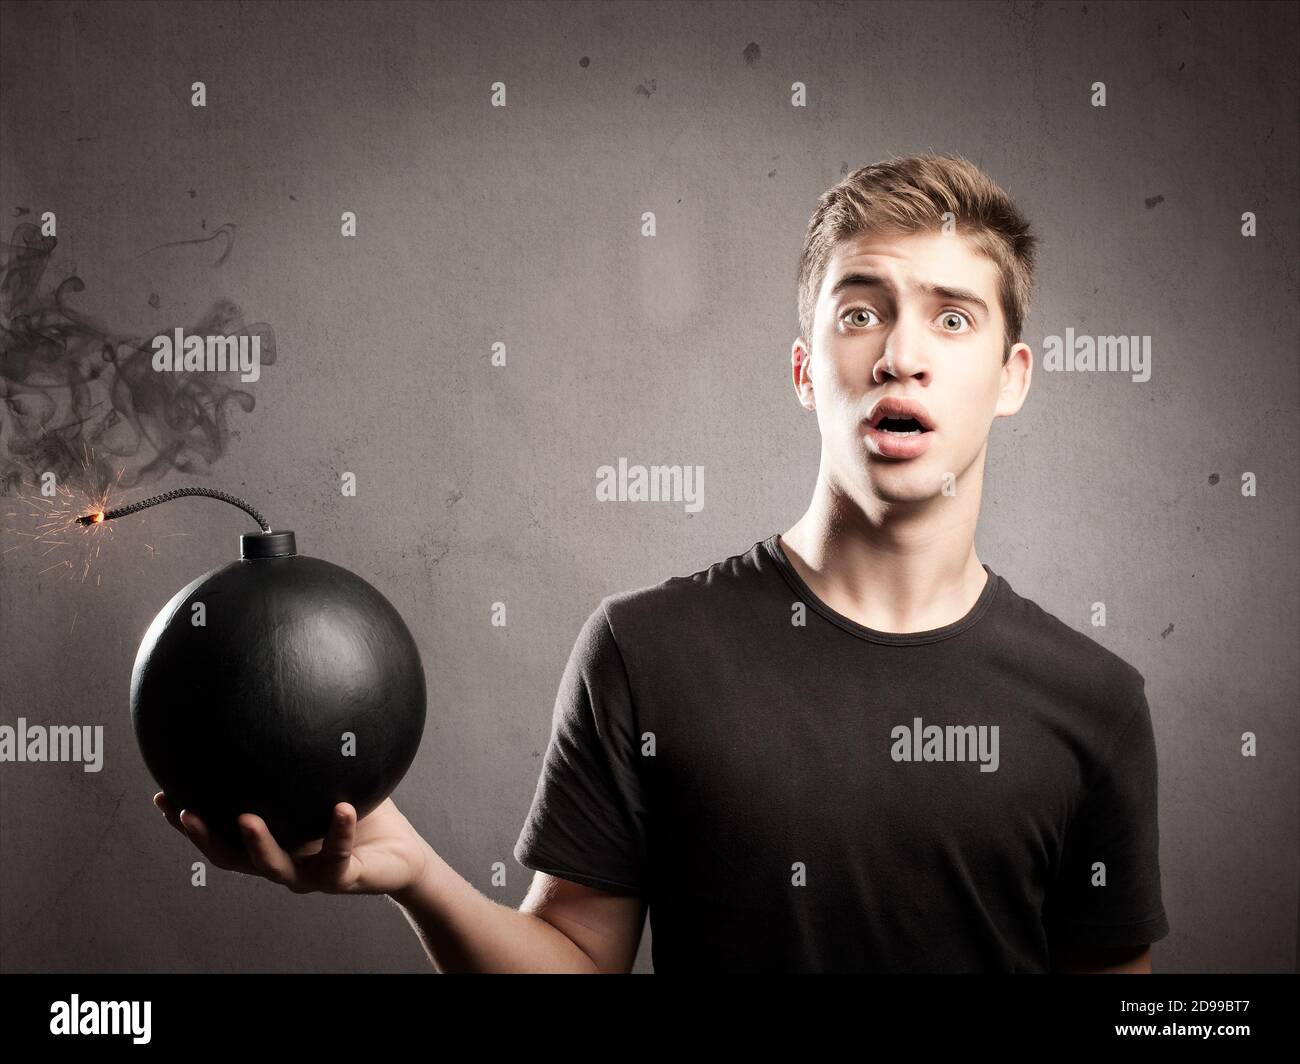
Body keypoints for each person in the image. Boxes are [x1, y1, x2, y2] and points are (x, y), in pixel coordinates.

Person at [157, 153, 1169, 973]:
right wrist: (416, 871)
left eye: (953, 317)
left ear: (1011, 375)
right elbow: (570, 961)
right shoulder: (646, 650)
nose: (901, 352)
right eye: (860, 311)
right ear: (805, 367)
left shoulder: (1095, 702)